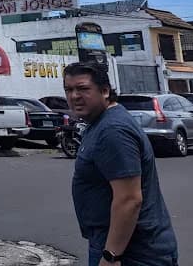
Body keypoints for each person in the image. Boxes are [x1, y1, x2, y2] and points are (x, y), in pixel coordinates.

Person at [63, 61, 178, 265]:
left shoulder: (112, 131)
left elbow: (129, 199)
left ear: (105, 91)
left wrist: (111, 255)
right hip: (123, 245)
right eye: (69, 90)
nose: (74, 96)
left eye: (83, 89)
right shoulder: (100, 122)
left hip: (132, 252)